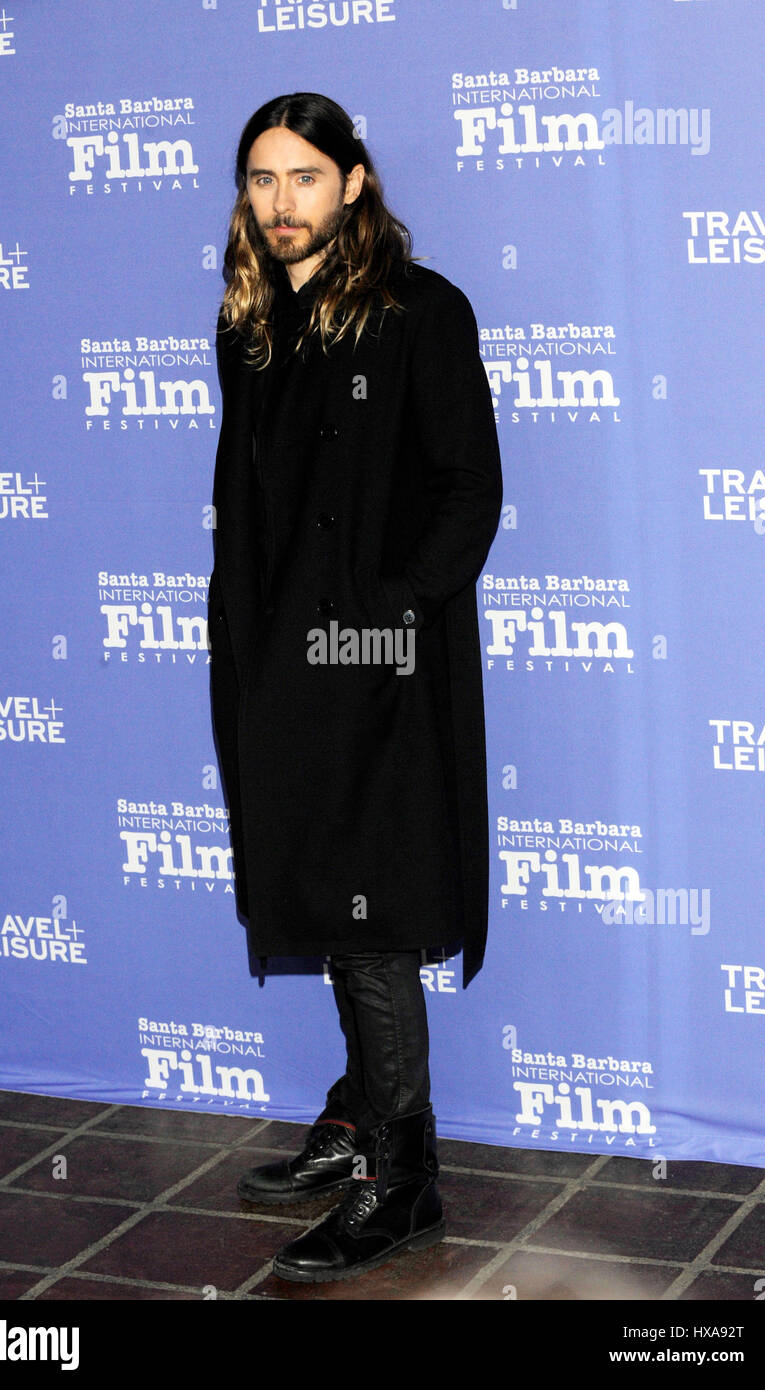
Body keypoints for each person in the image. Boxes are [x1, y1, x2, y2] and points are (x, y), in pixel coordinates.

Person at [208, 92, 502, 1283]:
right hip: (275, 659)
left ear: (355, 182)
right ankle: (352, 1116)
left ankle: (407, 1175)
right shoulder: (249, 324)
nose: (281, 202)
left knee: (373, 918)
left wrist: (390, 616)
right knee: (328, 895)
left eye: (304, 177)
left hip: (376, 661)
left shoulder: (423, 315)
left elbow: (468, 489)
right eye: (261, 180)